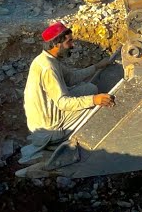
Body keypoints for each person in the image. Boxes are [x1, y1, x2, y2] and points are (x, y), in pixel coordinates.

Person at [22, 21, 116, 162]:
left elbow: (71, 78)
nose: (72, 45)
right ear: (57, 44)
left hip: (48, 117)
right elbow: (63, 103)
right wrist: (94, 100)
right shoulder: (48, 68)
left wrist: (96, 66)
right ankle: (68, 142)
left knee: (90, 89)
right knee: (94, 106)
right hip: (49, 129)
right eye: (69, 42)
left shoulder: (47, 59)